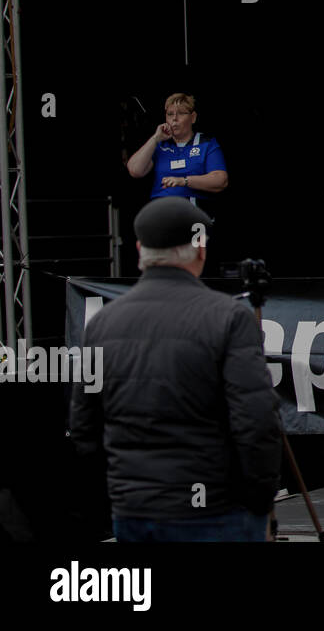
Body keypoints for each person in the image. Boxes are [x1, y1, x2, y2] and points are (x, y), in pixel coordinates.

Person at [69, 197, 281, 541]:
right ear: (201, 250)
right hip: (215, 510)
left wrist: (122, 493)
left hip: (135, 508)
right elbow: (256, 421)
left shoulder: (101, 324)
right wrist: (258, 499)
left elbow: (83, 427)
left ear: (140, 249)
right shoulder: (228, 317)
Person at [125, 92, 228, 204]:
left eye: (181, 113)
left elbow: (220, 180)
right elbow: (135, 170)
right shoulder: (160, 145)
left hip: (194, 211)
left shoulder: (206, 143)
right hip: (162, 212)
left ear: (193, 117)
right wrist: (155, 138)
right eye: (170, 114)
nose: (174, 118)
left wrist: (184, 181)